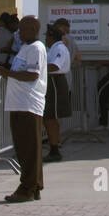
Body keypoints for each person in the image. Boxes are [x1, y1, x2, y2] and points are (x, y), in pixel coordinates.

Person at [0, 15, 45, 202]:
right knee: (25, 147)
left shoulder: (36, 48)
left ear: (32, 29)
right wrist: (3, 68)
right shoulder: (25, 48)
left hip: (27, 104)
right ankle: (35, 185)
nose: (18, 33)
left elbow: (32, 75)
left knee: (27, 148)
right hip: (18, 104)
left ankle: (27, 188)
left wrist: (4, 72)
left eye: (22, 29)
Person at [44, 23, 72, 161]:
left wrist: (37, 68)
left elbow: (55, 65)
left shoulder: (59, 48)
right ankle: (54, 145)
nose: (45, 40)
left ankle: (55, 149)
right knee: (49, 117)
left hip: (55, 82)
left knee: (51, 117)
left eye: (46, 36)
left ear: (51, 37)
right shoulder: (54, 49)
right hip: (52, 82)